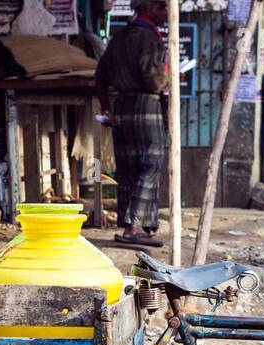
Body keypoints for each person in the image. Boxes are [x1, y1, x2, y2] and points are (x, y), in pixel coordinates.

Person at [94, 0, 169, 248]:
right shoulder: (148, 39)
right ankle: (135, 226)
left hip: (122, 107)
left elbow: (100, 77)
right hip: (145, 106)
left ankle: (131, 226)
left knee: (127, 167)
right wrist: (169, 79)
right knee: (150, 163)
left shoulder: (119, 37)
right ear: (148, 9)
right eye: (162, 8)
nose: (166, 14)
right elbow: (155, 81)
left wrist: (106, 107)